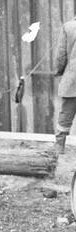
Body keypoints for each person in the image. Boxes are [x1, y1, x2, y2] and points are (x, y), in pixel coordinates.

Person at [53, 14, 76, 155]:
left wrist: (59, 70)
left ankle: (59, 146)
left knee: (66, 114)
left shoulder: (68, 27)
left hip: (72, 79)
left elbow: (61, 55)